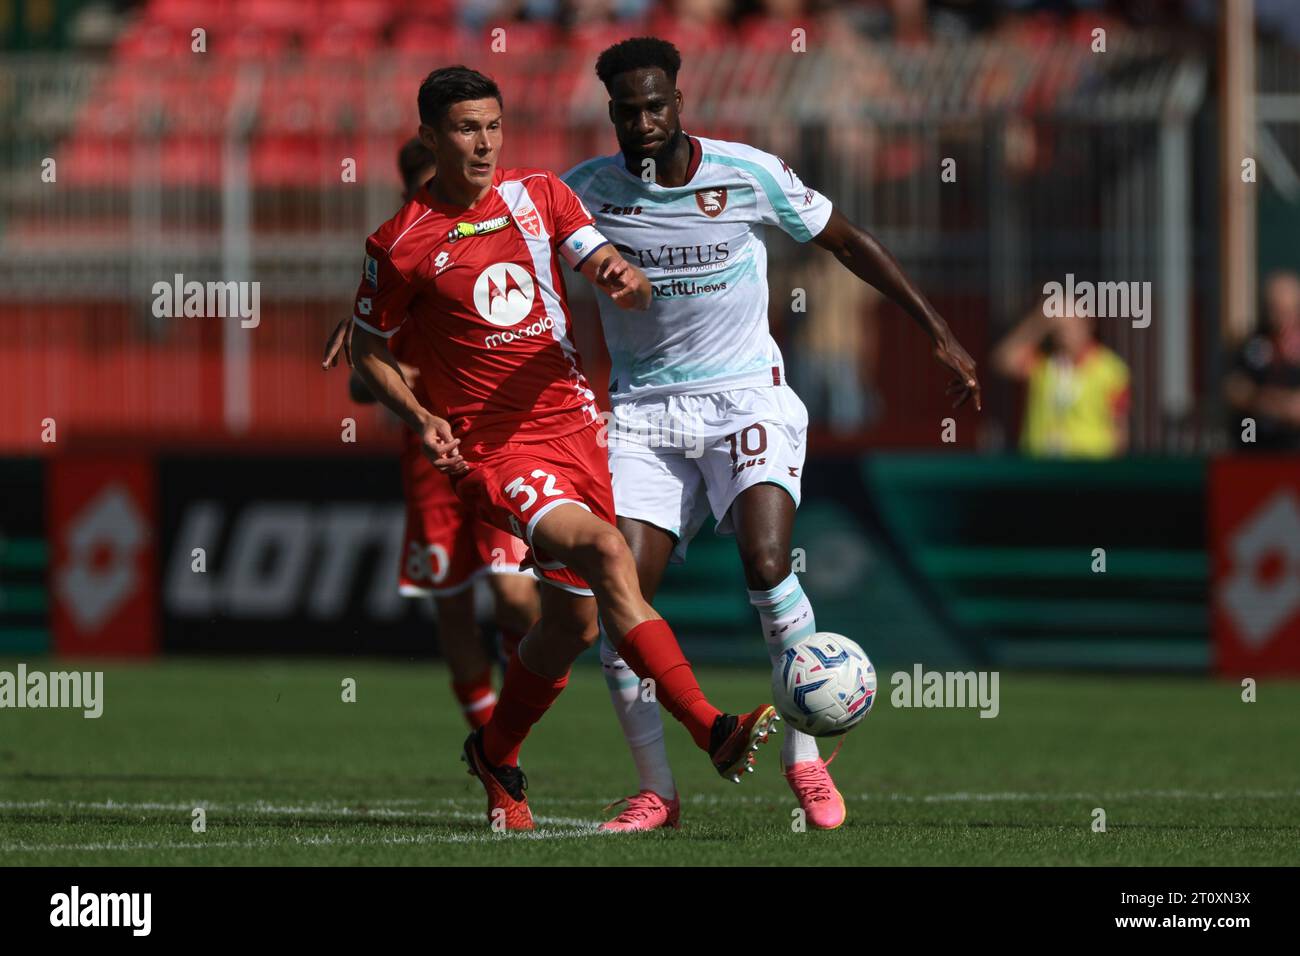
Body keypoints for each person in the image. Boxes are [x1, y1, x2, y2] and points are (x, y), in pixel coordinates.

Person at [333, 66, 777, 831]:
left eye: (494, 127)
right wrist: (419, 416)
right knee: (610, 555)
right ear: (430, 138)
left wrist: (620, 274)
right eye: (467, 129)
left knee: (571, 627)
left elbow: (594, 255)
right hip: (495, 451)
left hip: (580, 430)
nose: (483, 143)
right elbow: (366, 351)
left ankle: (493, 753)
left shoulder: (539, 196)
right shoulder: (400, 243)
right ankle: (713, 727)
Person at [563, 37, 980, 832]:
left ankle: (805, 757)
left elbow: (847, 240)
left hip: (745, 399)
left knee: (764, 563)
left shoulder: (746, 173)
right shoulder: (584, 194)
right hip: (644, 415)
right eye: (628, 109)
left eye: (656, 105)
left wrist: (936, 331)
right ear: (612, 112)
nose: (644, 121)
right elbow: (498, 263)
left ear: (680, 102)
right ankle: (658, 792)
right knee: (619, 599)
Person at [331, 138, 540, 730]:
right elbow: (358, 381)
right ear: (411, 190)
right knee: (451, 606)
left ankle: (513, 721)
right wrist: (400, 379)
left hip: (498, 449)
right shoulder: (399, 262)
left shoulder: (496, 245)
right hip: (430, 464)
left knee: (517, 598)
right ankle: (489, 738)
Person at [992, 296, 1129, 458]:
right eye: (1061, 324)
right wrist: (1040, 321)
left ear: (1087, 322)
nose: (1066, 331)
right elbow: (1003, 360)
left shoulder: (1110, 368)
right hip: (1041, 466)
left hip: (1090, 467)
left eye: (1072, 322)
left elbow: (1119, 429)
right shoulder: (1043, 363)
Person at [1224, 270, 1300, 452]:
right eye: (1274, 308)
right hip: (1254, 448)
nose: (1280, 317)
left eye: (1286, 310)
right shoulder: (1253, 343)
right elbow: (1235, 390)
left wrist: (1263, 399)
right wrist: (1277, 403)